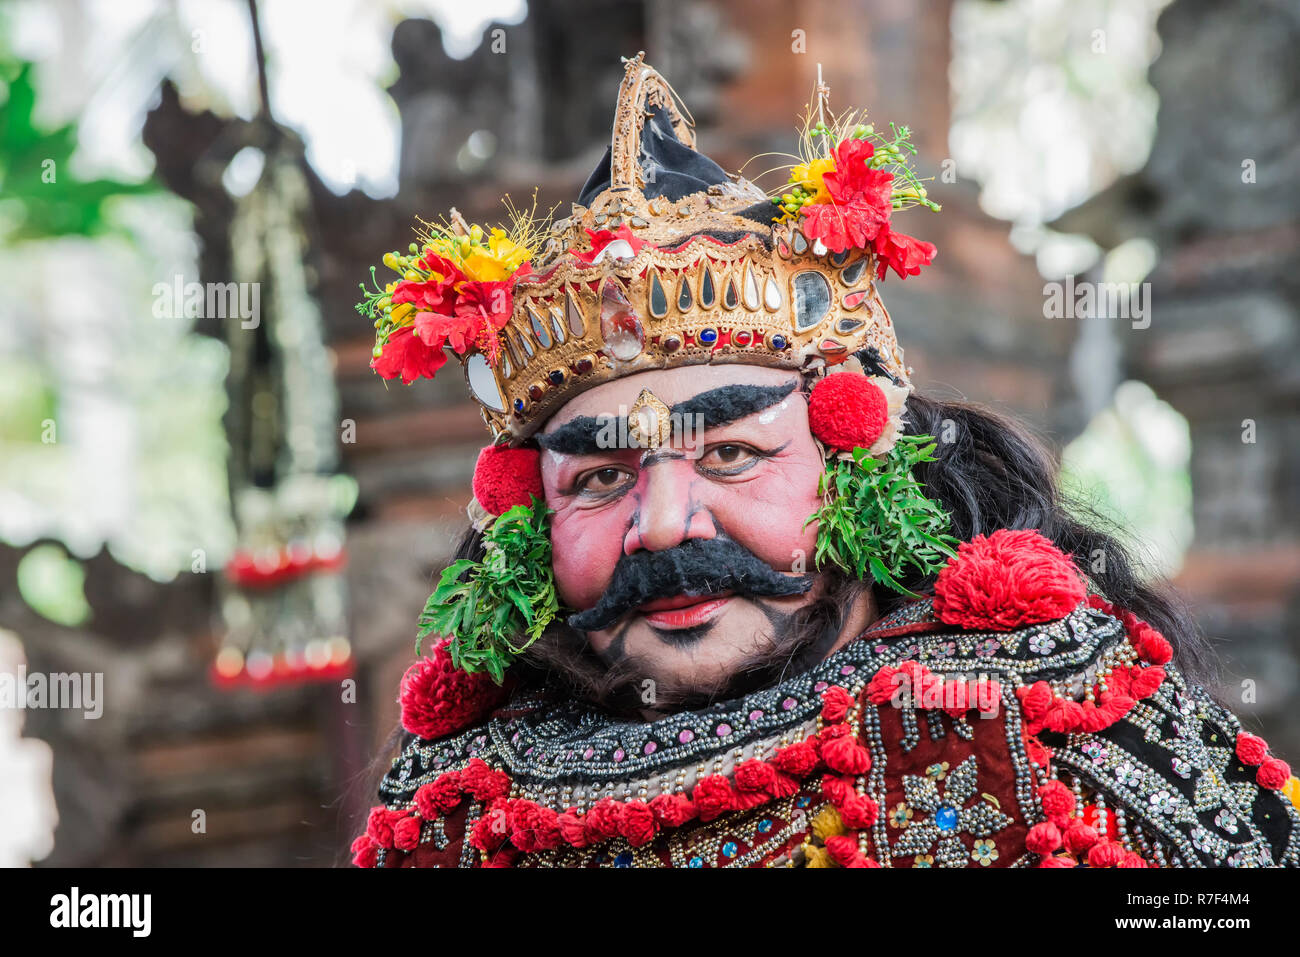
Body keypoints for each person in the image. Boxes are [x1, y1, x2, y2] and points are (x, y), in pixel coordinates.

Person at [349, 55, 1298, 868]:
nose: (667, 522)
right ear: (527, 518)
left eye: (728, 452)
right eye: (599, 478)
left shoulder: (1035, 721)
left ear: (856, 459)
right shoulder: (465, 808)